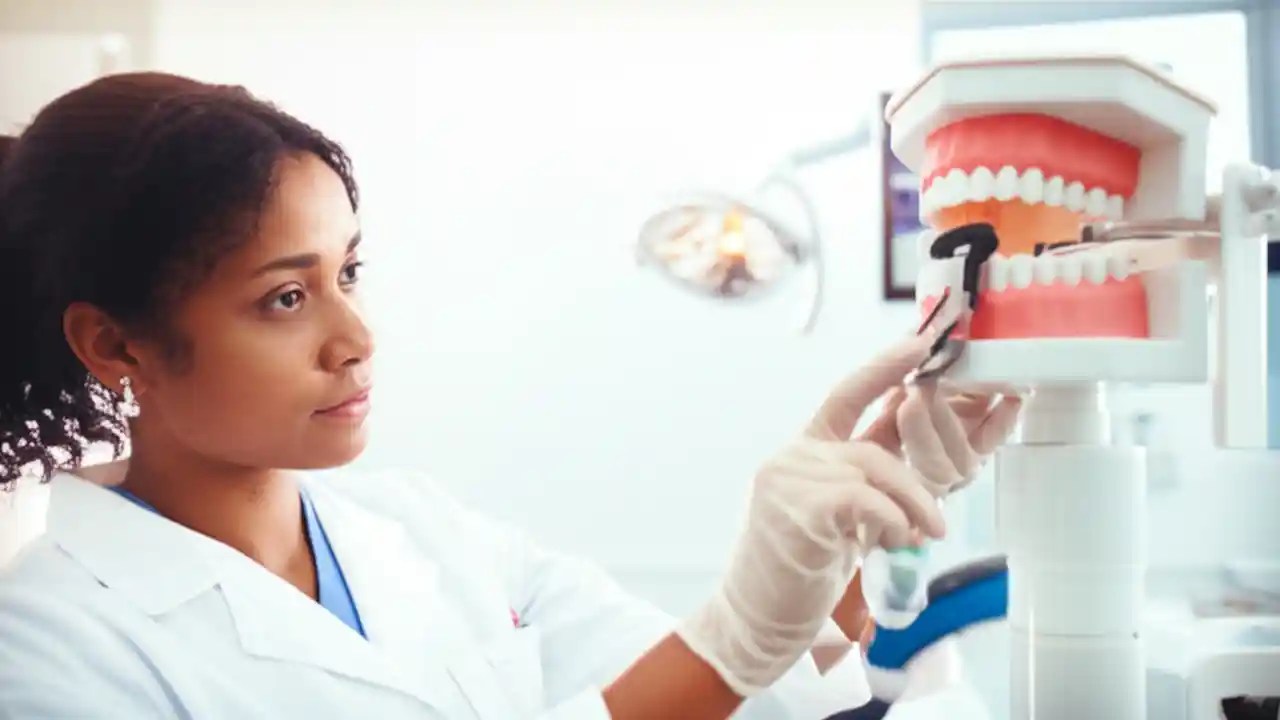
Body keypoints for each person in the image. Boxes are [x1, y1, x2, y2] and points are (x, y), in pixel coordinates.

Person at [0, 72, 1022, 719]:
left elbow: (720, 694)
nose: (355, 340)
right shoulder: (44, 647)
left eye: (347, 275)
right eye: (283, 298)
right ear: (113, 342)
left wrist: (838, 545)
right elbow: (710, 665)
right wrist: (735, 634)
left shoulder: (426, 533)